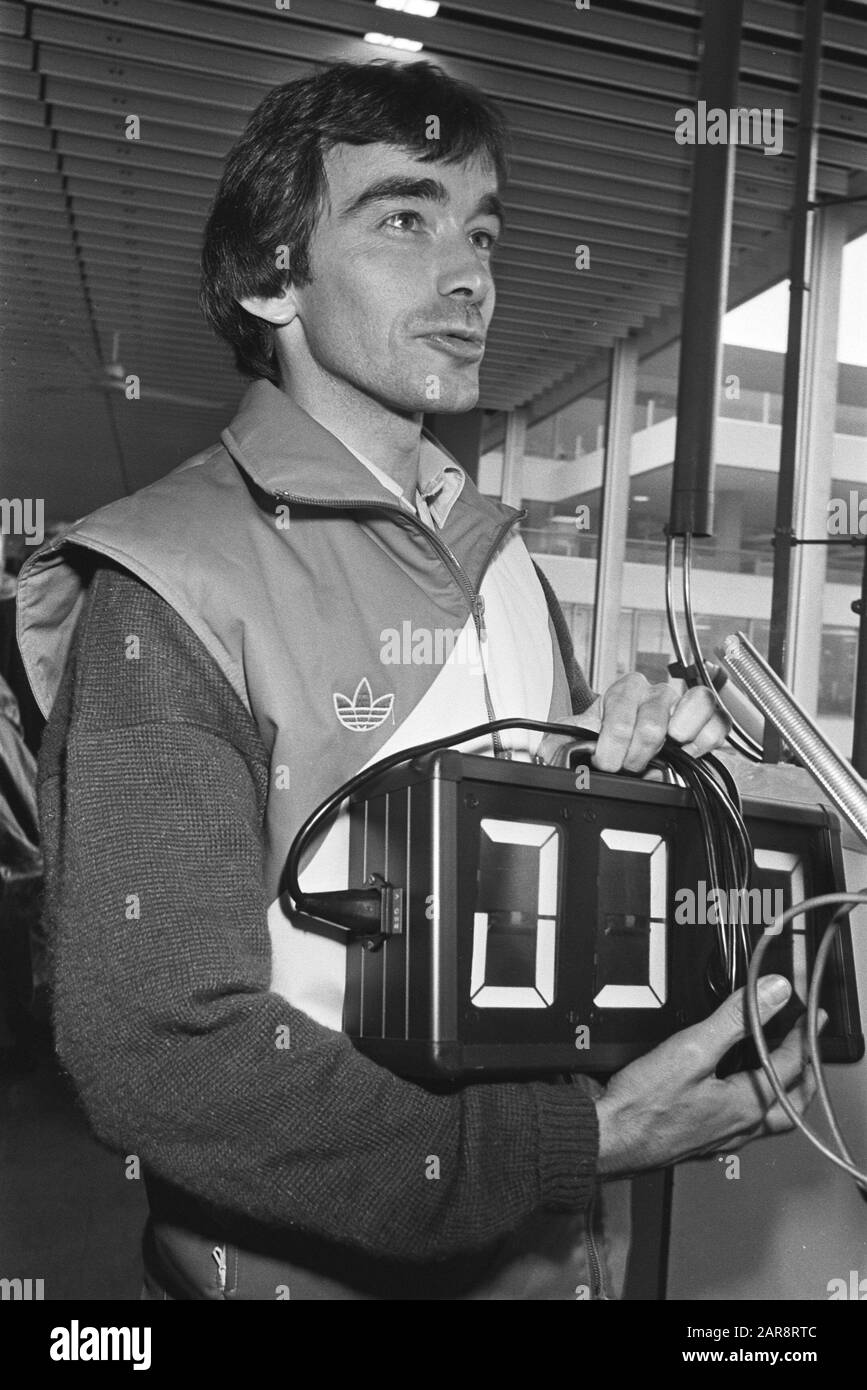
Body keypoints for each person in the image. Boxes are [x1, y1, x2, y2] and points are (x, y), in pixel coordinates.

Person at [17, 59, 817, 1301]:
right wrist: (583, 1141)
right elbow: (162, 1048)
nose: (470, 275)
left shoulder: (503, 565)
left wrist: (620, 775)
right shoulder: (168, 586)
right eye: (404, 218)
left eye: (481, 229)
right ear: (266, 277)